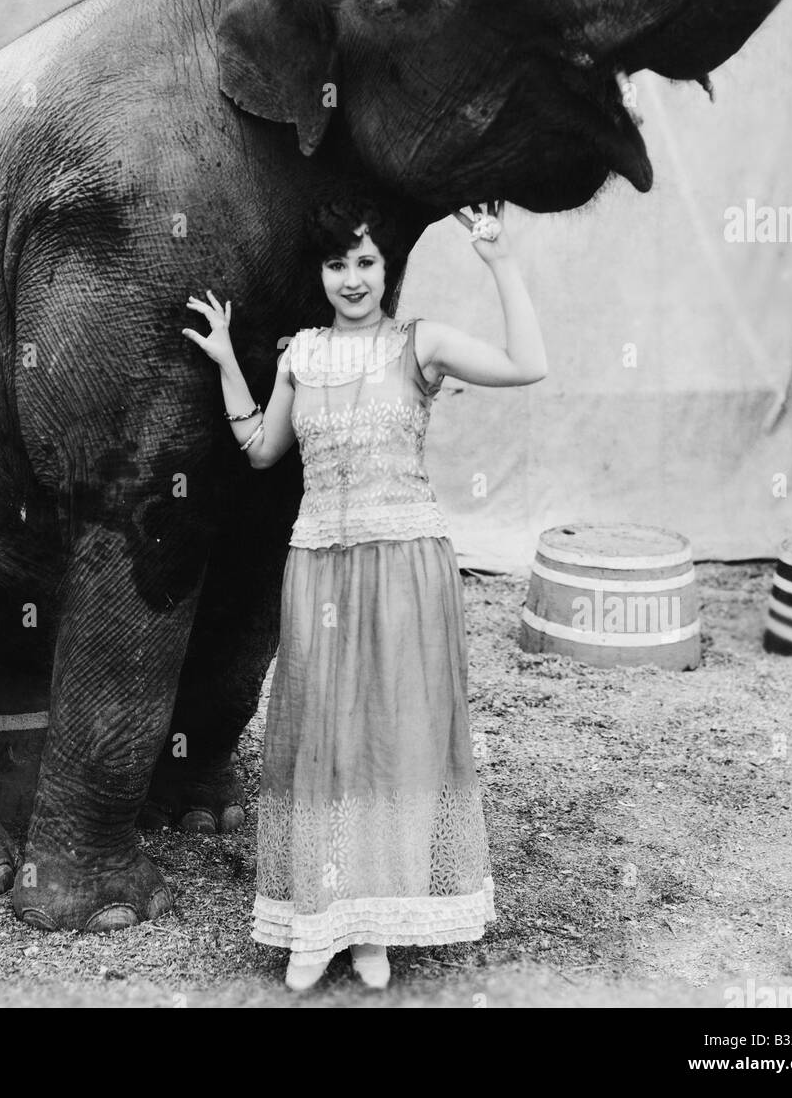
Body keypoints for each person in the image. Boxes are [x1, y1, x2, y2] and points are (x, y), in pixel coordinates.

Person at [182, 198, 547, 991]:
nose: (352, 280)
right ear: (321, 274)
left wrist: (499, 259)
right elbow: (258, 448)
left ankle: (376, 923)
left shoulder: (422, 345)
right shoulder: (302, 356)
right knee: (324, 740)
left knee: (394, 741)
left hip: (407, 567)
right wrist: (225, 363)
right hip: (319, 569)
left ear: (390, 269)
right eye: (338, 264)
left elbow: (528, 363)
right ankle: (319, 921)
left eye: (367, 262)